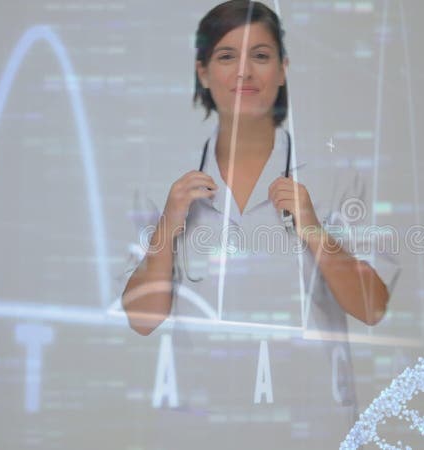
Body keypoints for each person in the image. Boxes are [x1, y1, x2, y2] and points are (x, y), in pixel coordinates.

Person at [121, 1, 399, 447]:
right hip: (200, 428)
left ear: (283, 69)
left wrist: (314, 231)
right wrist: (169, 225)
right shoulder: (165, 183)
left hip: (311, 427)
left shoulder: (335, 175)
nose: (244, 72)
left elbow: (372, 308)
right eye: (226, 56)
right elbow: (141, 318)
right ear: (202, 71)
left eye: (261, 56)